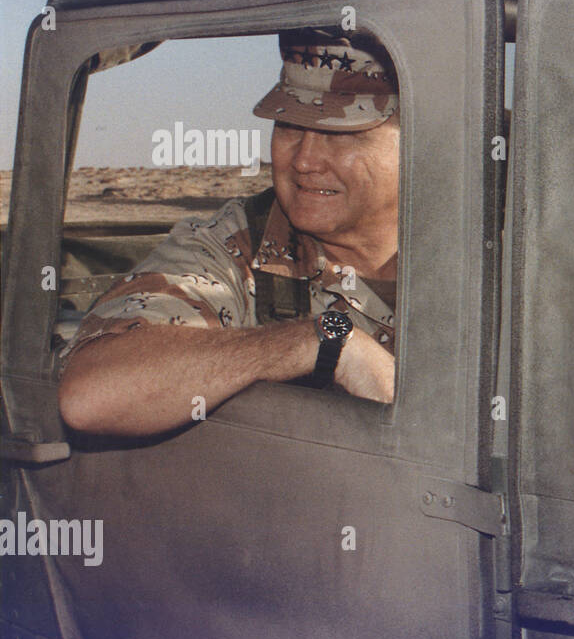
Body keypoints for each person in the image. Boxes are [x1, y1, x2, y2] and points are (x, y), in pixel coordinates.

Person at [58, 30, 401, 437]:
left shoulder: (486, 246)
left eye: (341, 132)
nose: (305, 160)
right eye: (290, 126)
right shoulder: (234, 244)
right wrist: (325, 341)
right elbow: (92, 391)